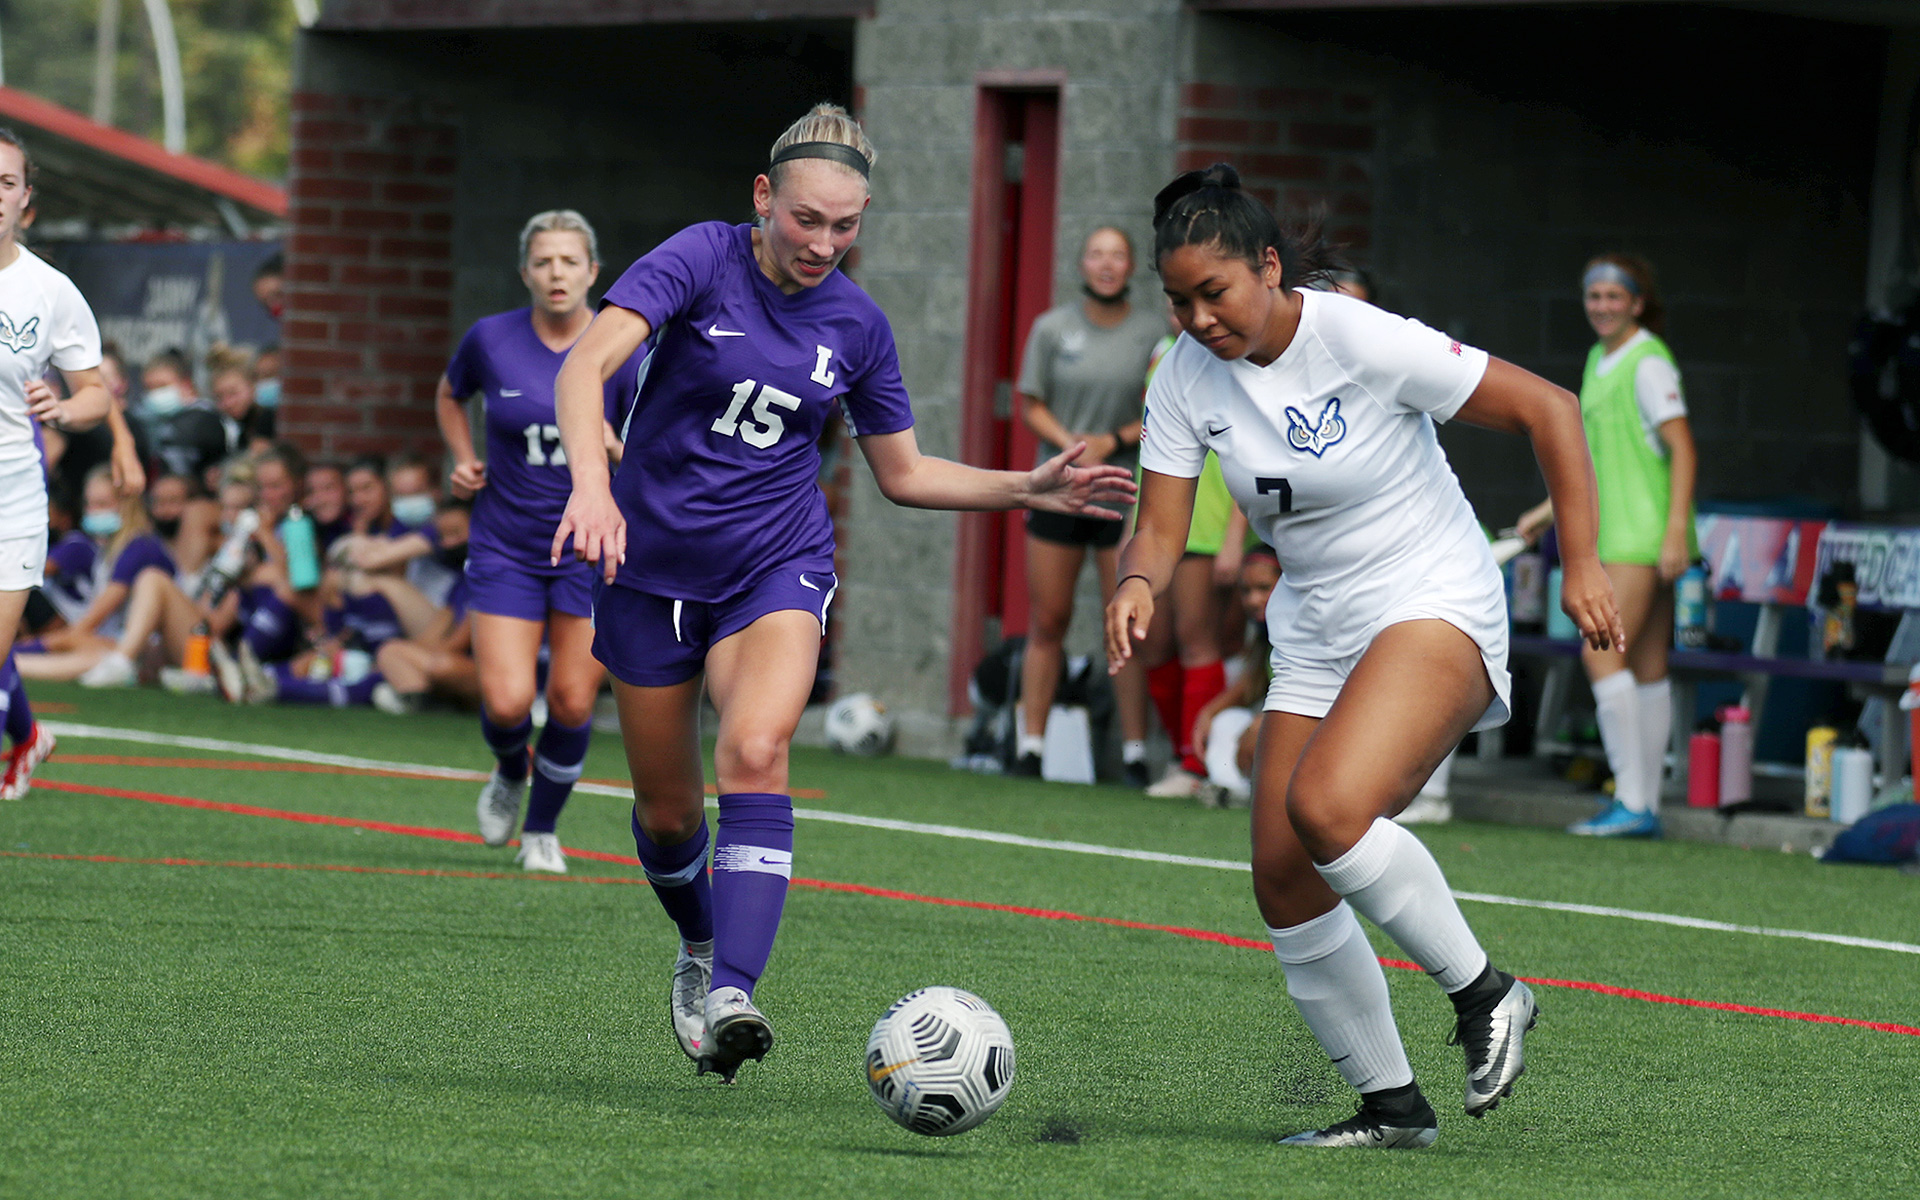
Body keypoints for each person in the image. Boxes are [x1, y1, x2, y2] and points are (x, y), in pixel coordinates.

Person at [551, 103, 1133, 1083]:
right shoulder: (699, 257)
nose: (826, 243)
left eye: (848, 224)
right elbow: (585, 368)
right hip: (646, 569)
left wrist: (1022, 487)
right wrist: (591, 485)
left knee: (757, 746)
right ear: (764, 197)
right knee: (665, 814)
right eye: (808, 219)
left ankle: (735, 987)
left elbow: (901, 474)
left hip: (772, 566)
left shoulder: (857, 325)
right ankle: (698, 948)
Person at [1107, 164, 1622, 1148]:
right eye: (1179, 300)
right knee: (1283, 873)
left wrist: (1583, 563)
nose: (1199, 318)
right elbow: (1161, 527)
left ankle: (1488, 996)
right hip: (1317, 630)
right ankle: (1392, 1108)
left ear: (1267, 266)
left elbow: (1550, 409)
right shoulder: (1182, 377)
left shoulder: (1351, 333)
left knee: (1329, 808)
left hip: (1432, 597)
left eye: (1214, 293)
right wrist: (1137, 582)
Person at [437, 209, 640, 875]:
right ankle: (507, 771)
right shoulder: (491, 339)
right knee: (504, 702)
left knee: (574, 700)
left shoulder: (625, 349)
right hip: (506, 543)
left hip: (590, 547)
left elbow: (659, 441)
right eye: (544, 261)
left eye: (569, 261)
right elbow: (449, 394)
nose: (557, 273)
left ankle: (542, 831)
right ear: (526, 271)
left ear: (593, 272)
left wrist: (618, 449)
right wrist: (463, 456)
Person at [1515, 254, 1695, 839]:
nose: (1603, 307)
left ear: (1638, 303)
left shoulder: (1648, 362)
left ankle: (1635, 802)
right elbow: (1593, 453)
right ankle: (1644, 805)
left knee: (1600, 653)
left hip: (1637, 536)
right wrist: (1546, 513)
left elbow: (1684, 451)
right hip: (1619, 531)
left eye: (1615, 297)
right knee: (1645, 665)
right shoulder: (1599, 359)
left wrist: (1673, 532)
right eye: (1594, 297)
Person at [1010, 226, 1165, 782]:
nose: (1106, 264)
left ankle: (1134, 753)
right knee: (1048, 619)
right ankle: (1030, 746)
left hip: (1121, 492)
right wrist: (1072, 442)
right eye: (1096, 253)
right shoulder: (1052, 328)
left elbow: (1164, 407)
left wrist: (1114, 441)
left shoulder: (1151, 333)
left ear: (1130, 267)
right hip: (1059, 489)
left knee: (1120, 620)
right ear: (1082, 262)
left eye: (1117, 255)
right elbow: (1029, 402)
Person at [0, 128, 111, 797]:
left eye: (6, 183)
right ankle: (30, 734)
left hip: (10, 499)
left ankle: (27, 734)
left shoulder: (49, 291)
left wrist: (68, 410)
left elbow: (96, 391)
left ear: (26, 201)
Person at [1188, 544, 1280, 807]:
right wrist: (1208, 714)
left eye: (1264, 588)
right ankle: (1234, 791)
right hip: (1279, 726)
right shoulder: (1264, 636)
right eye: (1246, 591)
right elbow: (1251, 684)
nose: (1253, 600)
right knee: (1226, 721)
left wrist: (1264, 722)